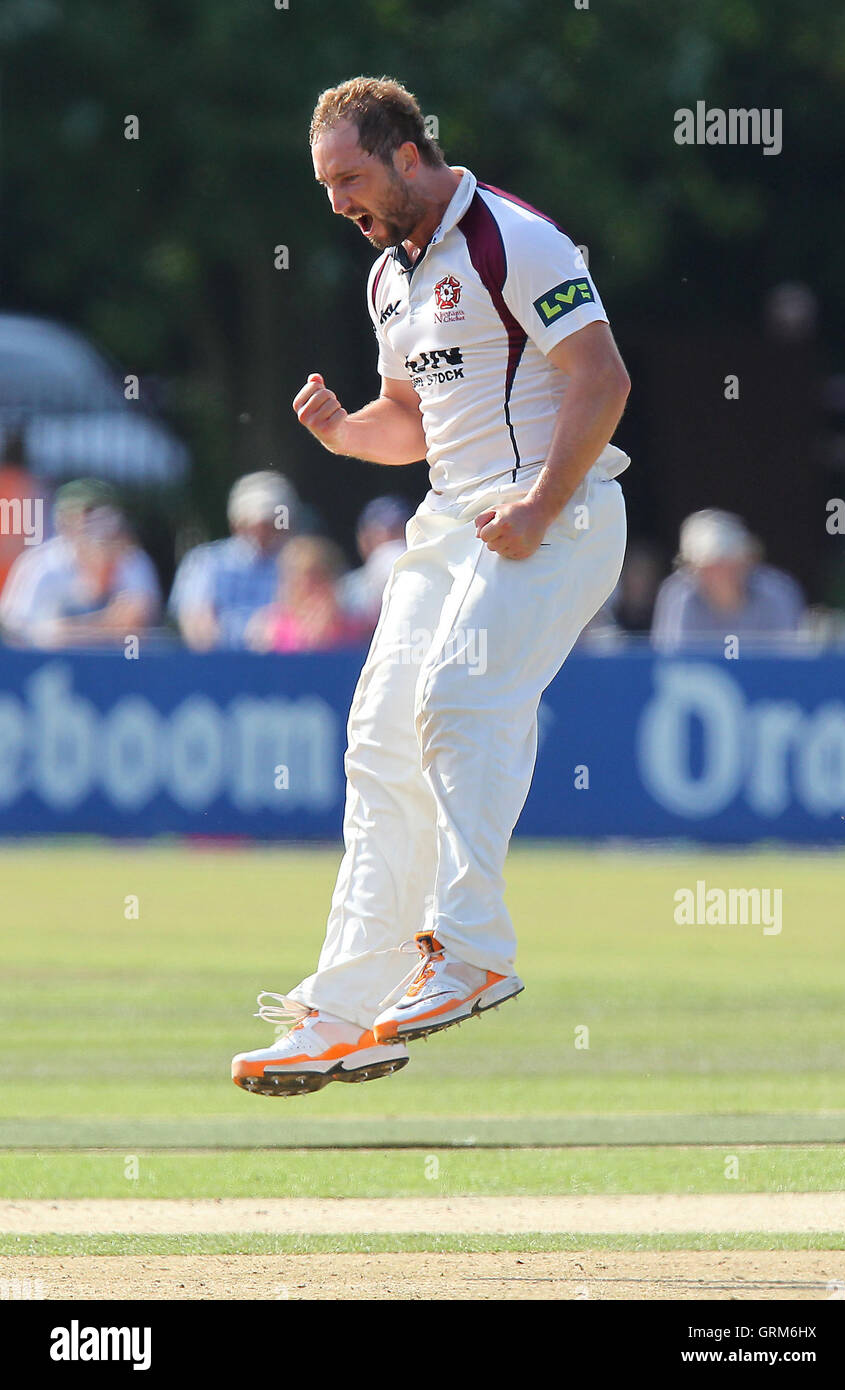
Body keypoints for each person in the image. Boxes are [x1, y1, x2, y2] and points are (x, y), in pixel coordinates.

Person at [232, 76, 631, 1097]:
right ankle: (342, 1011)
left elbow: (601, 377)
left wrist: (540, 505)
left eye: (349, 177)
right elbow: (410, 420)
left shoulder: (513, 238)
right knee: (379, 740)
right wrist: (343, 431)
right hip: (451, 519)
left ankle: (468, 948)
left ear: (407, 153)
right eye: (324, 185)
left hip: (559, 507)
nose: (335, 204)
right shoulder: (389, 281)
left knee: (459, 696)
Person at [0, 478, 160, 648]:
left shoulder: (134, 562)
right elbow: (15, 631)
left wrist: (64, 630)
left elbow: (134, 624)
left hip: (119, 669)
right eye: (82, 516)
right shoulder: (39, 565)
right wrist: (107, 622)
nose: (92, 525)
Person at [169, 471, 295, 650]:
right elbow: (196, 625)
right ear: (237, 523)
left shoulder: (296, 563)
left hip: (281, 669)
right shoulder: (205, 562)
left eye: (270, 523)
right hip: (217, 669)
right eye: (255, 523)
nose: (262, 531)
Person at [651, 509, 805, 651]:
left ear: (747, 560)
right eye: (709, 565)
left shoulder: (777, 593)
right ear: (693, 567)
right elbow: (671, 660)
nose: (720, 573)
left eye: (728, 560)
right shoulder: (677, 596)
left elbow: (788, 659)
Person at [245, 535, 370, 652]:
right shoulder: (267, 626)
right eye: (297, 578)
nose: (306, 586)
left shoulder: (357, 629)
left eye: (317, 577)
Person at [339, 494, 411, 629]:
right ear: (363, 540)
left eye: (396, 530)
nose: (389, 538)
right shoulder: (346, 592)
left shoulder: (433, 576)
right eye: (379, 532)